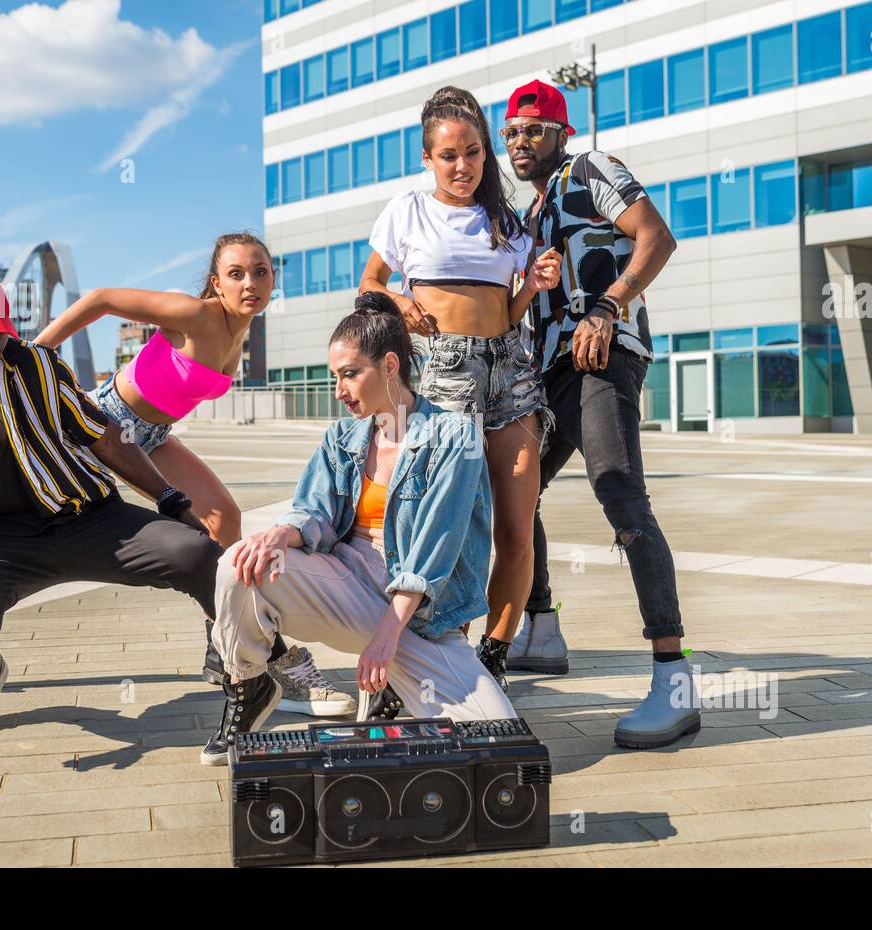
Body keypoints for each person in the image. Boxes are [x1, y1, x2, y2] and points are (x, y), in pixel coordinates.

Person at [0, 268, 222, 736]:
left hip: (88, 518)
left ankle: (264, 664)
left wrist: (172, 500)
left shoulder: (36, 366)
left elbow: (107, 438)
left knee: (199, 553)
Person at [31, 234, 353, 718]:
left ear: (273, 279)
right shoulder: (196, 314)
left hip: (153, 435)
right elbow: (100, 299)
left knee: (224, 519)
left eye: (261, 272)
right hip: (104, 428)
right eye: (236, 274)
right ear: (216, 283)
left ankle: (225, 646)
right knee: (21, 533)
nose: (250, 283)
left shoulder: (241, 332)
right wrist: (34, 355)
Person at [200, 292, 514, 765]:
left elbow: (433, 552)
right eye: (334, 376)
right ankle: (249, 684)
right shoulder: (342, 437)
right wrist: (279, 535)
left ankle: (391, 688)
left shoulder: (454, 436)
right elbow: (315, 513)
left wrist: (386, 641)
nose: (339, 390)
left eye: (350, 374)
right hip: (344, 588)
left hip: (414, 617)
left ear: (389, 366)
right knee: (237, 564)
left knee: (495, 741)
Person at [501, 79, 699, 749]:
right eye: (511, 133)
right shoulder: (530, 214)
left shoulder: (591, 169)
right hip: (548, 372)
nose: (519, 142)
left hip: (602, 354)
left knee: (619, 490)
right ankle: (541, 626)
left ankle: (673, 675)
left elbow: (656, 237)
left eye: (532, 129)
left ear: (561, 133)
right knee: (516, 491)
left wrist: (609, 305)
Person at [359, 86, 562, 709]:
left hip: (510, 372)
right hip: (443, 373)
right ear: (428, 158)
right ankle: (428, 657)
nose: (462, 165)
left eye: (473, 152)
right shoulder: (407, 211)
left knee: (516, 526)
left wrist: (535, 284)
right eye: (448, 155)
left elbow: (511, 310)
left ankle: (492, 657)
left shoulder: (505, 221)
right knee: (443, 526)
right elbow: (369, 283)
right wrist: (400, 301)